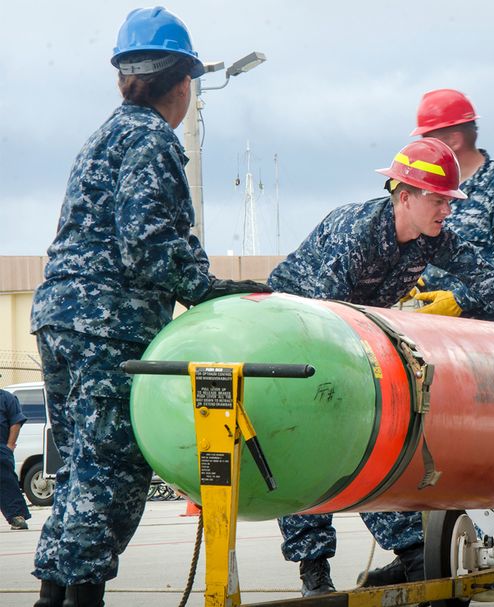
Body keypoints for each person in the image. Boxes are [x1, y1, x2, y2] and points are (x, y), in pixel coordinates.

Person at [28, 8, 270, 607]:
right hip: (106, 325)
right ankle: (81, 599)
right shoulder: (150, 140)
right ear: (183, 84)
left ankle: (53, 596)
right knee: (111, 472)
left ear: (124, 79)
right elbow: (148, 247)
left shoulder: (104, 136)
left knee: (81, 467)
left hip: (62, 315)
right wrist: (214, 292)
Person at [270, 138, 494, 596]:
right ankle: (314, 569)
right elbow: (320, 315)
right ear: (404, 196)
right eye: (437, 199)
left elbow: (489, 280)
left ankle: (413, 552)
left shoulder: (430, 237)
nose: (446, 209)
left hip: (351, 332)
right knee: (312, 444)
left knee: (371, 441)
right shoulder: (359, 234)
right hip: (294, 331)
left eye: (450, 200)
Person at [407, 88, 494, 320]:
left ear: (453, 140)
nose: (423, 148)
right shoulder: (425, 190)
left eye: (428, 139)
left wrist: (459, 299)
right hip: (435, 331)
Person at [1, 386, 31, 530]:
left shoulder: (7, 398)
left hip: (1, 448)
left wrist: (10, 445)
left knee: (6, 480)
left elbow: (15, 422)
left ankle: (16, 516)